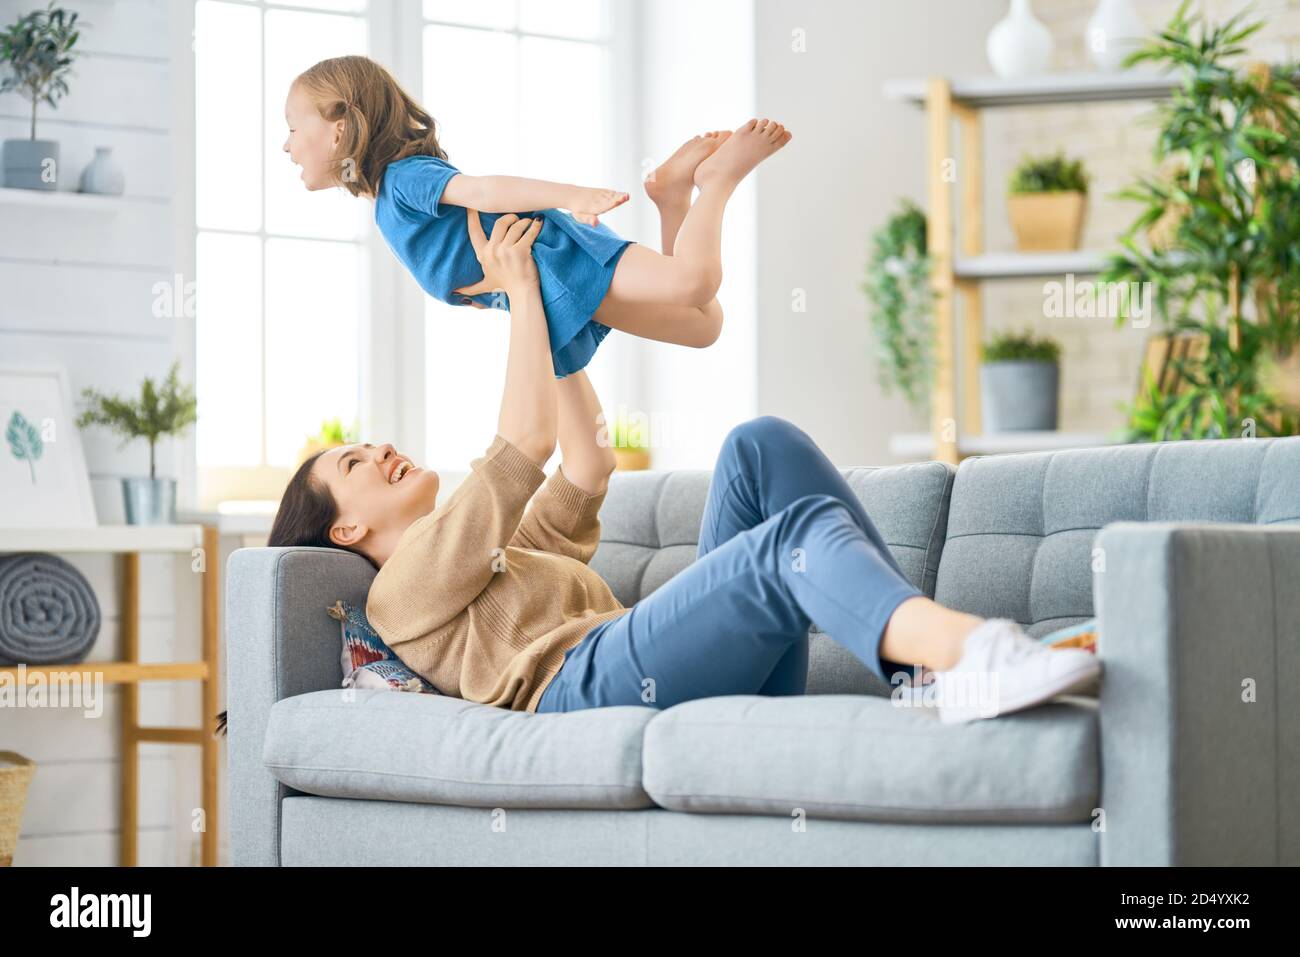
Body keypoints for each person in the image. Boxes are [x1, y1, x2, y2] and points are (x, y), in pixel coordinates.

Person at [213, 205, 1099, 737]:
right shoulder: (405, 587)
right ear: (346, 529)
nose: (380, 449)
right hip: (588, 690)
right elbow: (524, 440)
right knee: (786, 545)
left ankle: (924, 675)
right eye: (355, 463)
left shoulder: (494, 553)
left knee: (759, 445)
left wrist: (549, 313)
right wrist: (517, 291)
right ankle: (969, 653)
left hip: (652, 664)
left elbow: (587, 458)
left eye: (370, 440)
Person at [282, 54, 791, 378]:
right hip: (544, 288)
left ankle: (718, 179)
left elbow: (483, 190)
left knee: (695, 285)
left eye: (291, 127)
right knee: (704, 326)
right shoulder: (389, 204)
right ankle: (672, 195)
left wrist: (576, 196)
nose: (286, 145)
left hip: (554, 257)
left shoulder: (404, 177)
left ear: (338, 127)